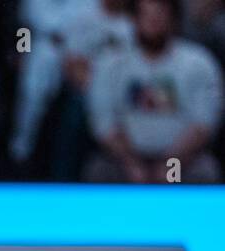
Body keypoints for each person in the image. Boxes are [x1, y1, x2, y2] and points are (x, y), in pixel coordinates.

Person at [86, 0, 224, 182]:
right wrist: (131, 162)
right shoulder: (111, 63)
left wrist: (171, 162)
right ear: (134, 20)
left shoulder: (198, 62)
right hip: (125, 159)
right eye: (146, 15)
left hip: (181, 159)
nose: (153, 22)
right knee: (98, 171)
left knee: (205, 172)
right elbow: (104, 121)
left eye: (160, 15)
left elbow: (204, 123)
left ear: (173, 20)